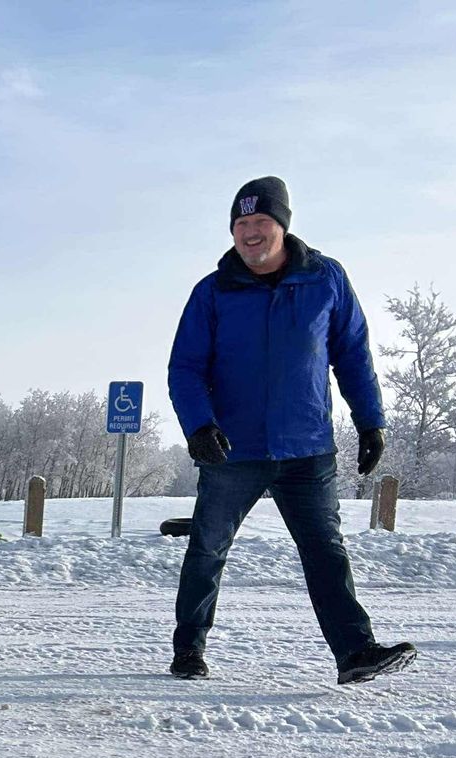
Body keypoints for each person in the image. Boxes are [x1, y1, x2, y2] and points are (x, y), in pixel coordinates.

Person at [168, 176, 416, 686]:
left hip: (307, 449)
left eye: (261, 222)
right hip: (231, 451)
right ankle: (189, 648)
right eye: (241, 224)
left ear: (282, 225)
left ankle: (354, 653)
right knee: (208, 548)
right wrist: (198, 426)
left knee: (326, 550)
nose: (251, 233)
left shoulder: (325, 279)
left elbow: (352, 352)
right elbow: (185, 367)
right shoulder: (213, 292)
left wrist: (371, 420)